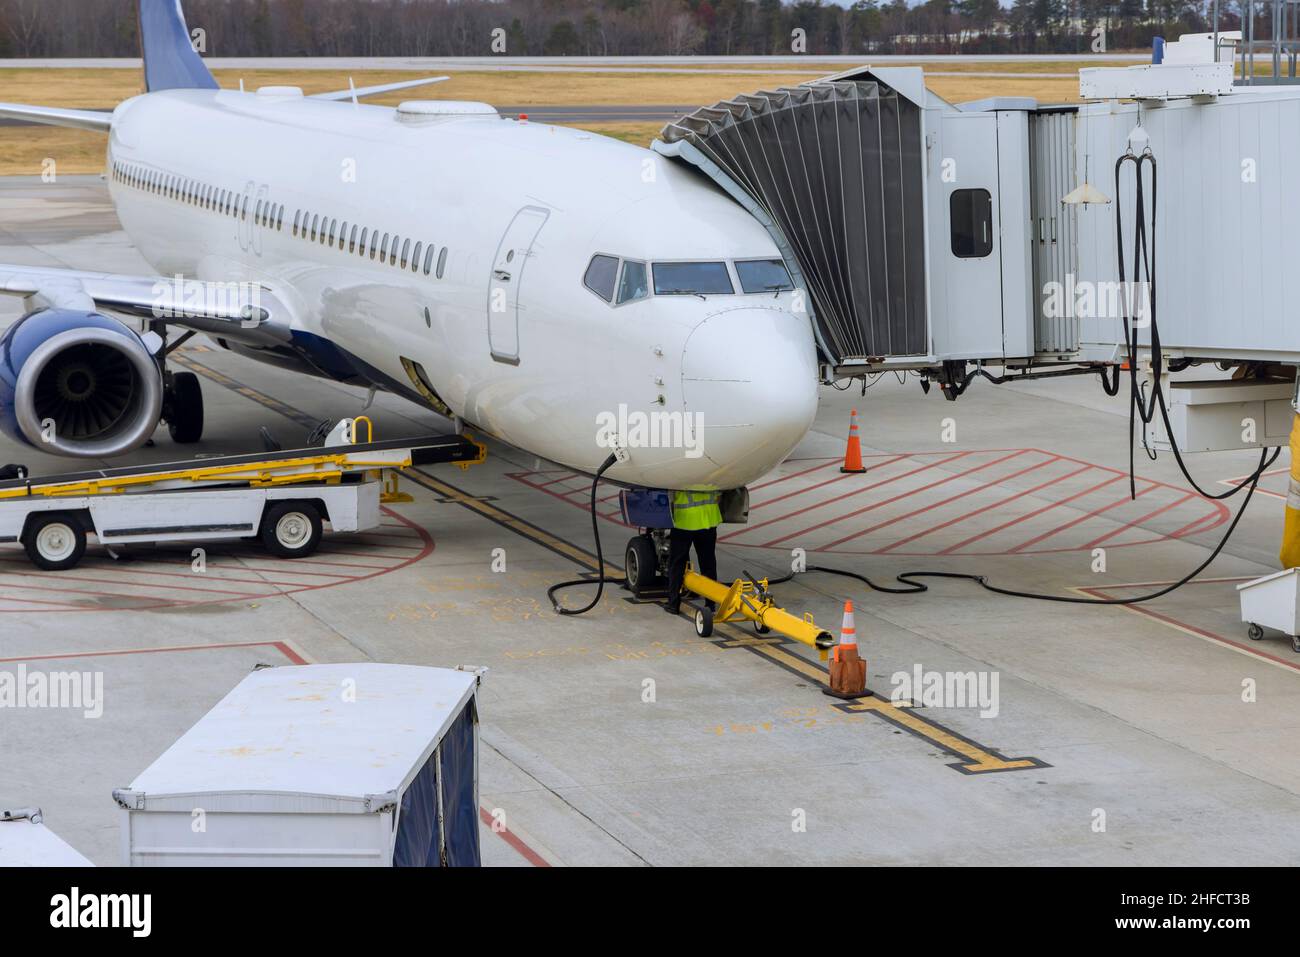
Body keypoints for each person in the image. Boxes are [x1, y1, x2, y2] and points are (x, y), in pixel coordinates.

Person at [664, 489, 721, 614]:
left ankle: (673, 603)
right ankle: (710, 604)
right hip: (708, 519)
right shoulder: (710, 471)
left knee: (677, 563)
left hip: (685, 521)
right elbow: (719, 493)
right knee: (708, 563)